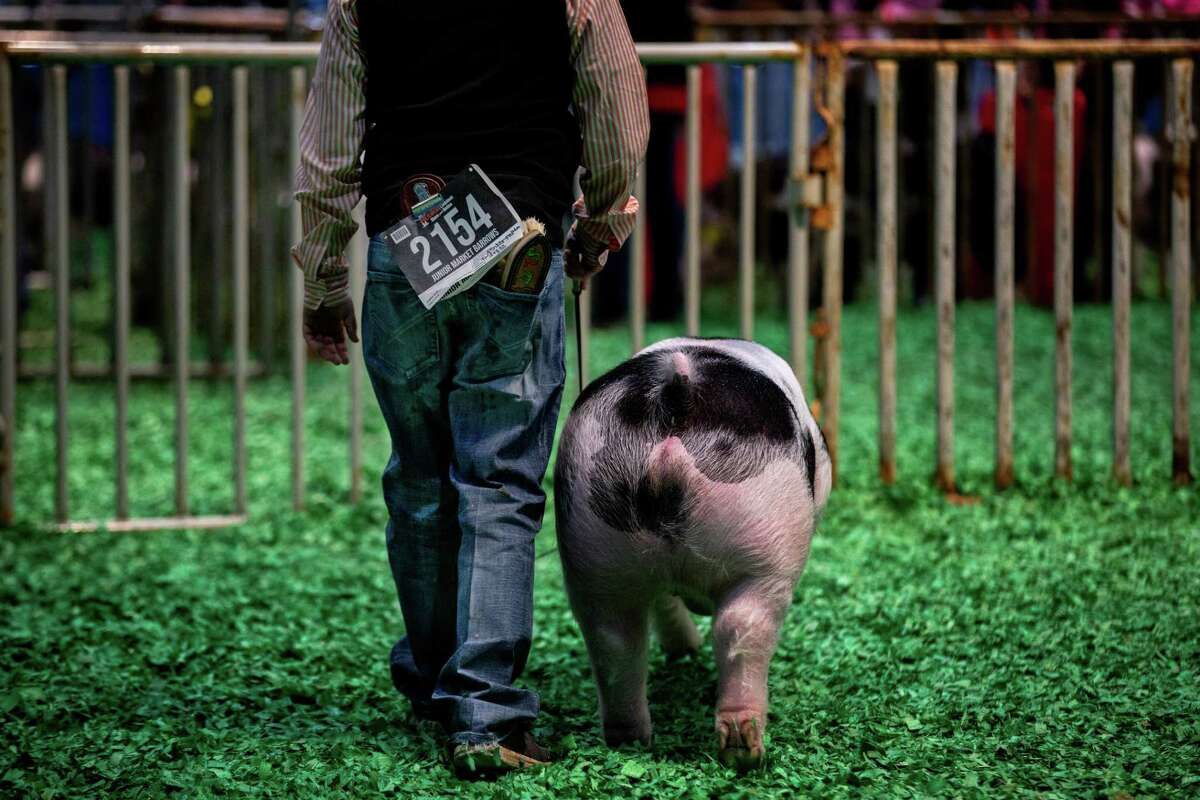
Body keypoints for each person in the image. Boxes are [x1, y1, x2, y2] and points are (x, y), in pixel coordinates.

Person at [291, 0, 648, 776]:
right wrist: (598, 229)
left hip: (404, 236)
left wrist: (322, 278)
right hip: (519, 231)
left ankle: (432, 684)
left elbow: (327, 151)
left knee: (420, 477)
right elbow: (619, 117)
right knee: (498, 479)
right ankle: (485, 712)